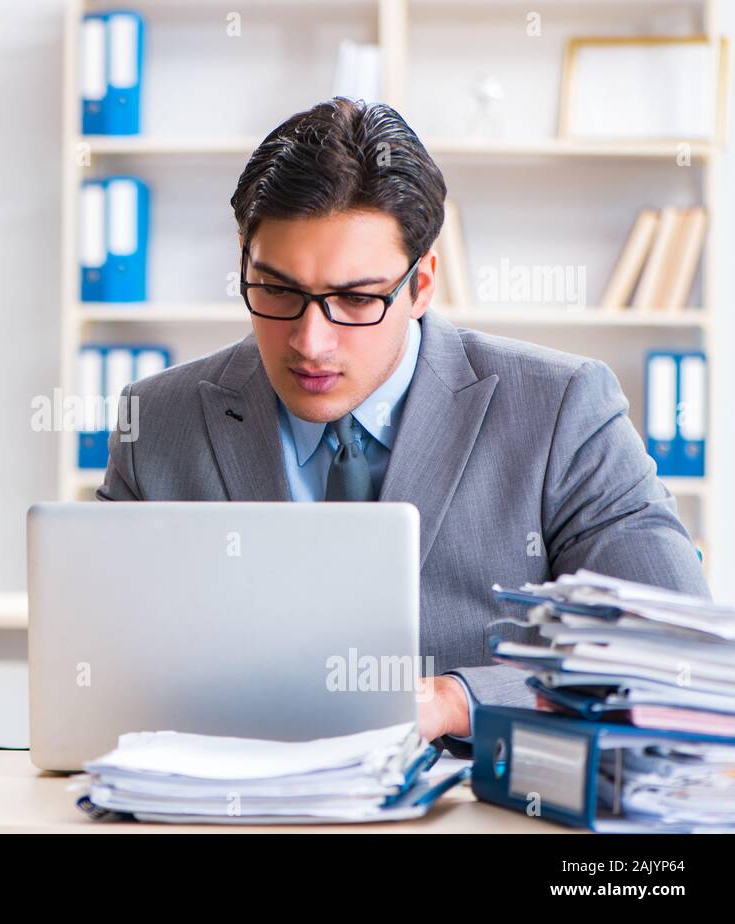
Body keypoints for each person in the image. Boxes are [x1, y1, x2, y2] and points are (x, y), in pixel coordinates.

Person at [96, 97, 710, 751]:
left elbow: (679, 660)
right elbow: (98, 666)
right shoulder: (157, 419)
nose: (311, 341)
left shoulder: (561, 411)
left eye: (356, 299)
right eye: (277, 290)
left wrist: (458, 700)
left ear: (421, 287)